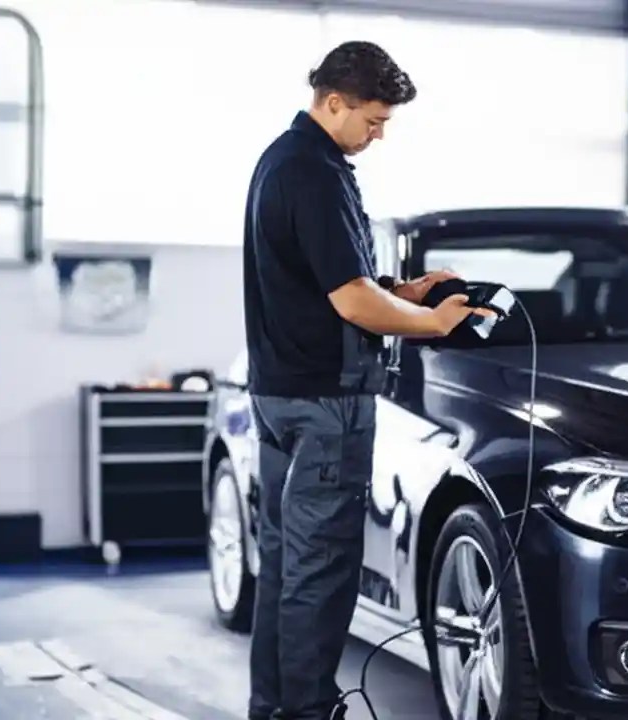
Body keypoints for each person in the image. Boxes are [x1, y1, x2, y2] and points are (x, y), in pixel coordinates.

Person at [241, 41, 487, 720]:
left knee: (286, 567)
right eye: (373, 121)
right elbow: (349, 303)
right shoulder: (315, 171)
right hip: (325, 402)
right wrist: (432, 322)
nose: (378, 136)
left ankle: (276, 710)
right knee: (319, 573)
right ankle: (310, 711)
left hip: (282, 393)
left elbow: (328, 285)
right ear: (334, 102)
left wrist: (402, 292)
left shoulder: (282, 161)